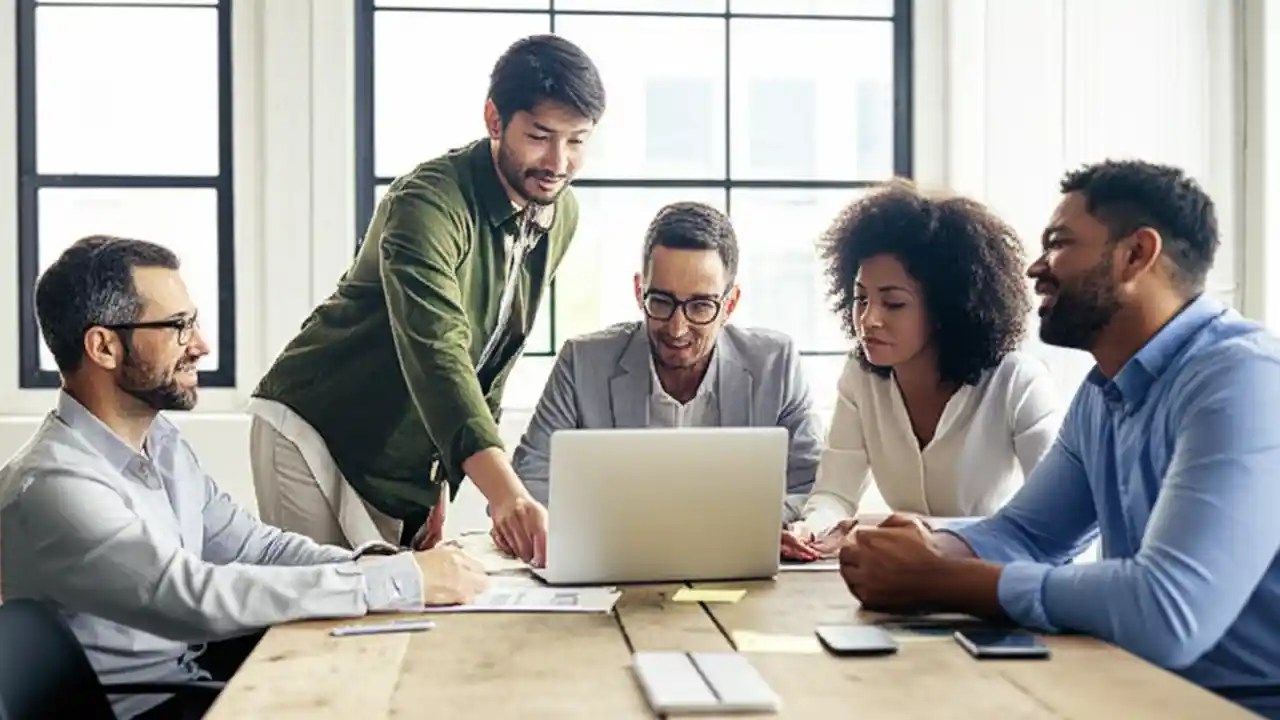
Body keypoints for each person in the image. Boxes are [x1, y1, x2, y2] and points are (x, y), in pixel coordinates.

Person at [839, 160, 1280, 718]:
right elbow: (1028, 532)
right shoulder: (1104, 391)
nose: (1034, 268)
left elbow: (1168, 613)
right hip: (1136, 690)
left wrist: (943, 577)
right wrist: (923, 546)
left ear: (1136, 255)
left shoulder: (1242, 380)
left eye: (1059, 244)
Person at [0, 236, 488, 720]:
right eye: (178, 326)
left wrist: (394, 566)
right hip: (150, 710)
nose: (200, 345)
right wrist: (391, 582)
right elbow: (194, 597)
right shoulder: (57, 486)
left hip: (198, 682)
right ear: (103, 346)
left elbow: (259, 549)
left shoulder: (161, 446)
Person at [248, 35, 605, 566]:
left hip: (399, 462)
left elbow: (496, 355)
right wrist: (504, 493)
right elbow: (437, 350)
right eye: (540, 136)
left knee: (394, 624)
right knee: (322, 621)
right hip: (317, 433)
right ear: (493, 120)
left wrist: (438, 481)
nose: (558, 161)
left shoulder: (560, 212)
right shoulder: (427, 202)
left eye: (577, 141)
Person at [783, 181, 1060, 562]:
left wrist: (928, 535)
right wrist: (810, 529)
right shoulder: (860, 377)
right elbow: (836, 493)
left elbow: (1055, 521)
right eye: (861, 299)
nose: (869, 319)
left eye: (893, 303)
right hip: (911, 576)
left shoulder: (1017, 381)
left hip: (996, 576)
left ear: (947, 309)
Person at [511, 201, 822, 518]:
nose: (677, 328)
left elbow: (813, 487)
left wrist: (757, 527)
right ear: (638, 291)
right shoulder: (581, 363)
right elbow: (530, 482)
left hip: (738, 561)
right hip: (615, 559)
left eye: (700, 306)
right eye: (661, 301)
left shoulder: (775, 365)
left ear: (730, 304)